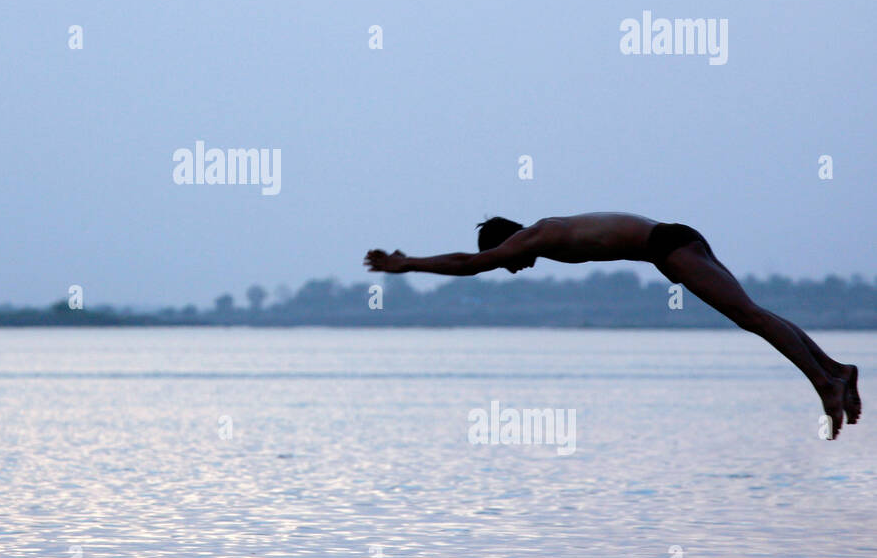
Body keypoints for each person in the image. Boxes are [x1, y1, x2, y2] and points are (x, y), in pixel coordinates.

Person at [364, 212, 859, 438]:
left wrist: (406, 265)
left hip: (668, 246)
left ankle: (823, 384)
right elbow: (479, 259)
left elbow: (470, 263)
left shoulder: (530, 237)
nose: (510, 268)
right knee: (754, 314)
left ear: (507, 241)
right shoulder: (542, 232)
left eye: (506, 258)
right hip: (673, 240)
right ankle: (836, 368)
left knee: (748, 316)